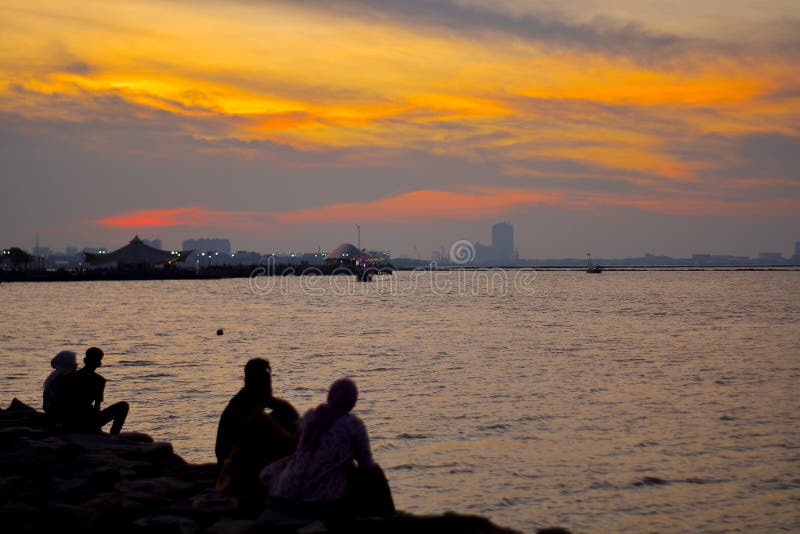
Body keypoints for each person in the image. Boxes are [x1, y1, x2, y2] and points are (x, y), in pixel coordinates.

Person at [259, 377, 395, 517]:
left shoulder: (312, 415)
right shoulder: (354, 425)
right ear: (352, 402)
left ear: (330, 396)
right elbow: (366, 465)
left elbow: (298, 439)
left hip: (285, 492)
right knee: (374, 472)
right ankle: (387, 515)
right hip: (320, 501)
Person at [215, 358, 299, 496]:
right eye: (265, 382)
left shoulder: (248, 399)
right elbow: (292, 442)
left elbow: (286, 411)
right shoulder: (249, 412)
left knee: (284, 414)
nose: (270, 387)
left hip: (239, 464)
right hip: (238, 472)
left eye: (269, 381)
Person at [59, 347, 129, 435]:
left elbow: (62, 402)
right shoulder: (99, 380)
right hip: (86, 422)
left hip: (70, 421)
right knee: (123, 406)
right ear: (99, 363)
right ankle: (114, 436)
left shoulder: (69, 377)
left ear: (85, 360)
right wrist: (96, 428)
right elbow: (97, 406)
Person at [43, 350, 78, 418]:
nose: (76, 364)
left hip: (51, 412)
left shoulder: (53, 376)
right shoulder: (64, 378)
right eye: (74, 361)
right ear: (68, 364)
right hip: (60, 415)